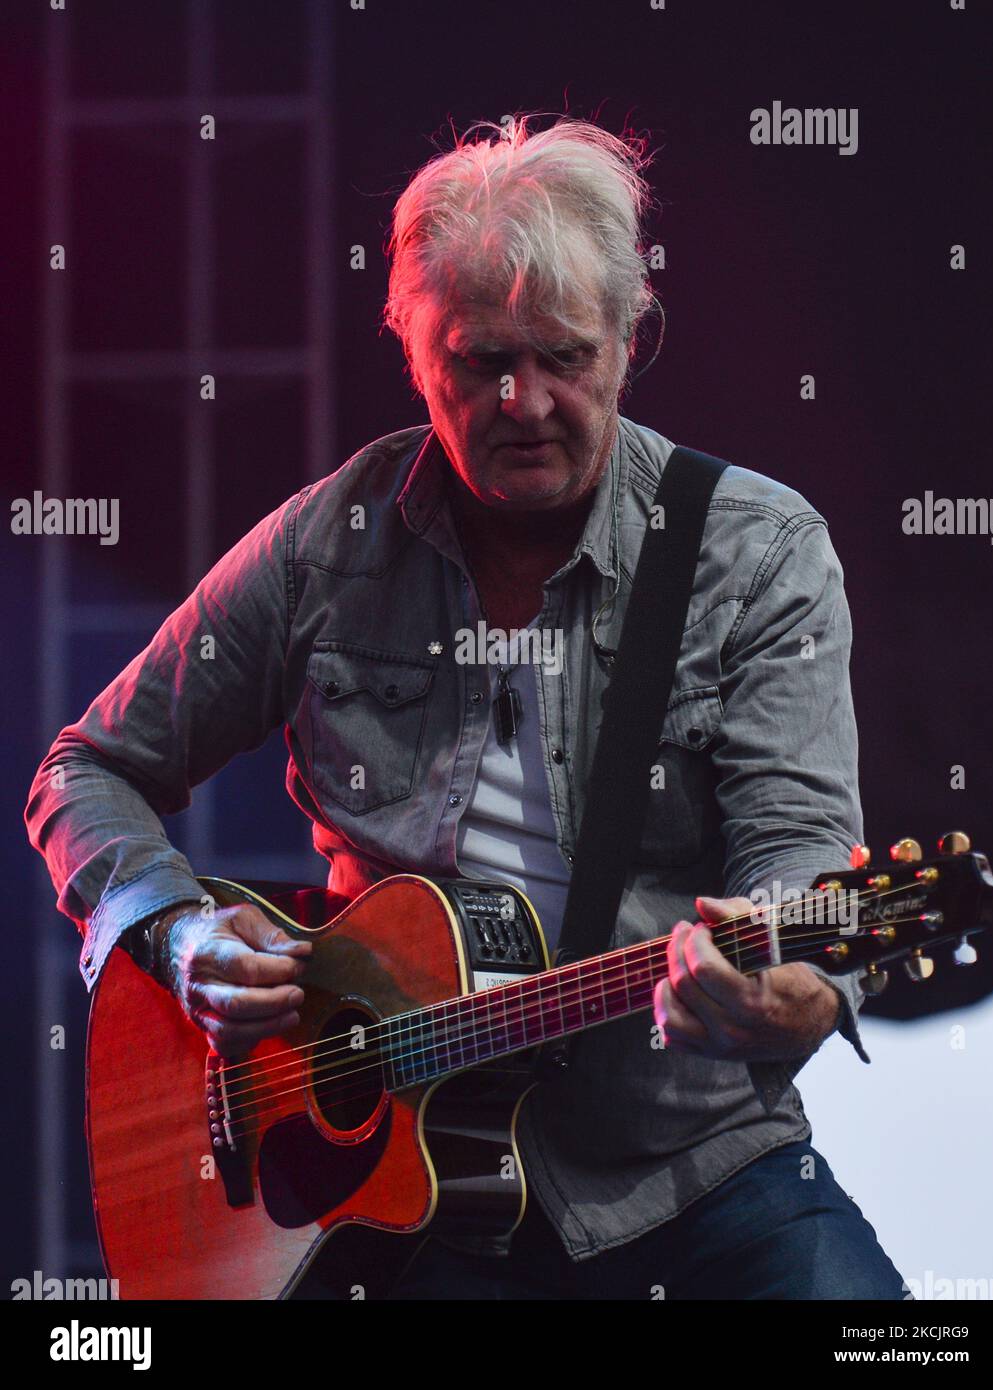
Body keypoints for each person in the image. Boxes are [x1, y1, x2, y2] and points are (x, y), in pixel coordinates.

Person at [26, 114, 906, 1300]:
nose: (525, 402)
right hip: (380, 1205)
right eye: (481, 360)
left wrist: (783, 992)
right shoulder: (324, 545)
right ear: (409, 348)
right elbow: (84, 769)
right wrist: (177, 936)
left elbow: (801, 854)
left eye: (562, 356)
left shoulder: (754, 552)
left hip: (686, 1168)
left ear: (631, 340)